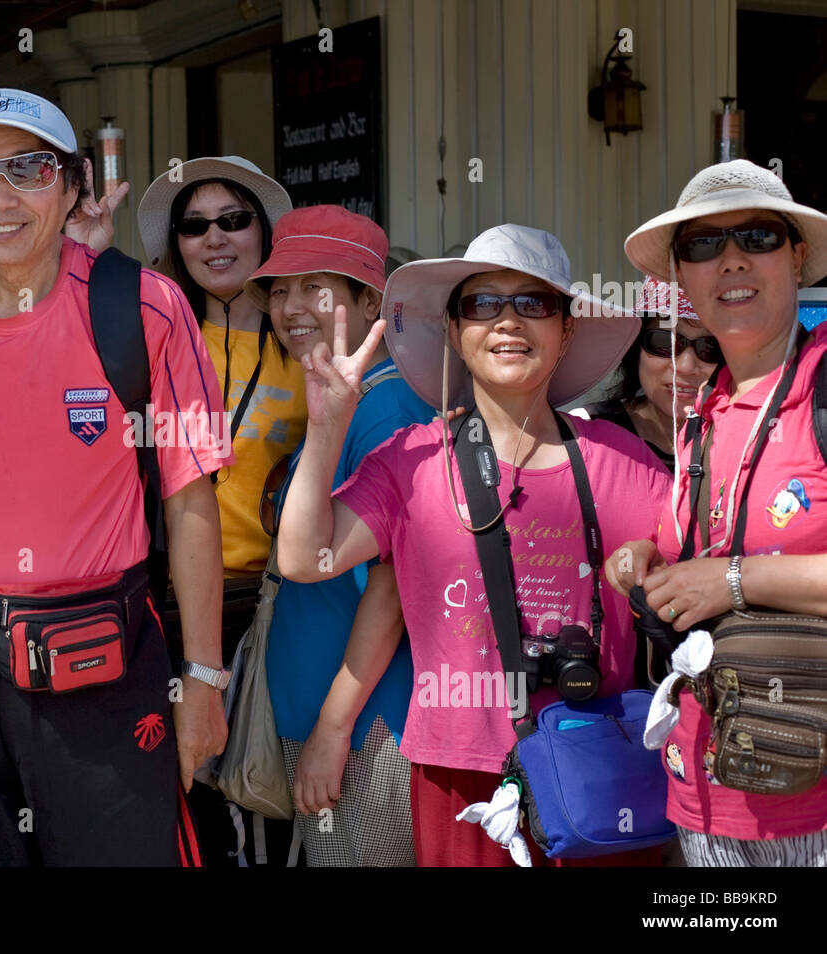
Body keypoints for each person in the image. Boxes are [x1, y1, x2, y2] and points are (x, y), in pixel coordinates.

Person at [0, 87, 229, 866]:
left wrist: (204, 677)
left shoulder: (146, 307)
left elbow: (191, 502)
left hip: (105, 646)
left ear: (74, 183)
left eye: (27, 168)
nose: (1, 196)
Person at [275, 223, 671, 866]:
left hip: (597, 763)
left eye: (534, 303)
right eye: (483, 304)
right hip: (461, 775)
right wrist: (326, 428)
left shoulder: (623, 460)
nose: (508, 322)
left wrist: (650, 565)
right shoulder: (411, 461)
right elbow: (302, 558)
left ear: (566, 329)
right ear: (455, 332)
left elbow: (698, 570)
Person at [612, 159, 827, 866]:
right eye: (701, 245)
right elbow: (699, 552)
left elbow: (730, 572)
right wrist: (648, 562)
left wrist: (733, 581)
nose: (730, 258)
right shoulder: (703, 412)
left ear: (798, 256)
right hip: (708, 783)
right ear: (681, 277)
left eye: (757, 236)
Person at [244, 204, 434, 865]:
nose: (291, 306)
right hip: (328, 714)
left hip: (368, 726)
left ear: (368, 298)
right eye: (279, 287)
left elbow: (392, 592)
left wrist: (333, 728)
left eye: (315, 287)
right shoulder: (345, 396)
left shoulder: (388, 408)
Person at [134, 155, 304, 865]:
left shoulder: (306, 341)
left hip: (278, 606)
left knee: (271, 796)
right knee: (184, 800)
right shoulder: (151, 338)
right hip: (165, 607)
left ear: (264, 234)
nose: (215, 238)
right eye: (194, 225)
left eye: (233, 220)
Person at [579, 276, 722, 468]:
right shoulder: (586, 432)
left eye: (711, 348)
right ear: (635, 348)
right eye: (665, 342)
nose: (686, 366)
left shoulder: (754, 440)